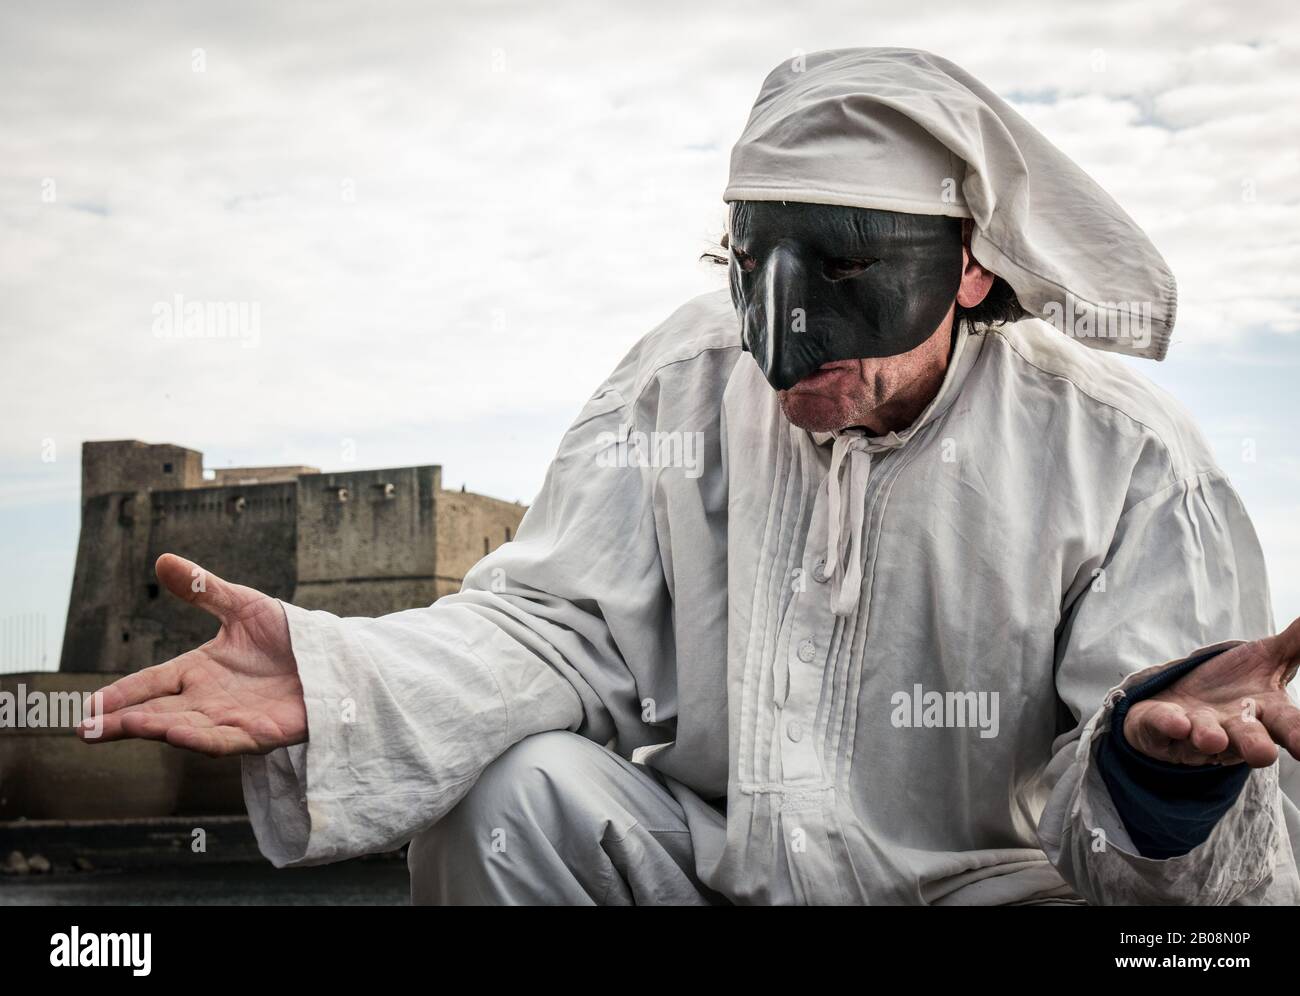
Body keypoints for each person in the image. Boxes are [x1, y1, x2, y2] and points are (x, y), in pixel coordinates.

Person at [79, 48, 1300, 905]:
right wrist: (338, 677)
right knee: (511, 795)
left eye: (842, 267)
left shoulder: (1120, 457)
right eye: (751, 262)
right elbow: (554, 629)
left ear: (969, 268)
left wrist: (1155, 773)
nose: (781, 333)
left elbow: (1171, 850)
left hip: (985, 888)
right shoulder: (679, 380)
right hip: (729, 865)